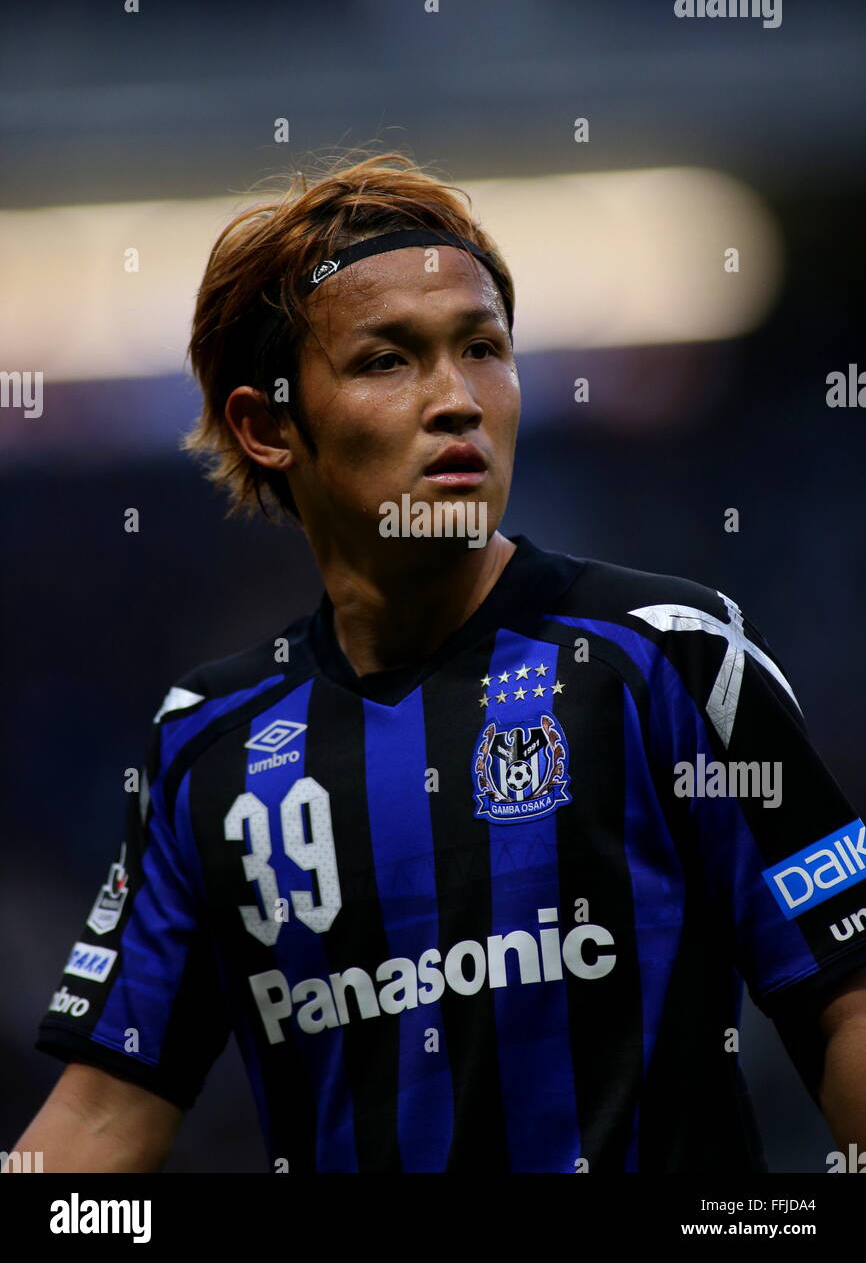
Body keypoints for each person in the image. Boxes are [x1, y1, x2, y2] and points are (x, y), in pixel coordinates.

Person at [9, 152, 866, 1173]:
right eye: (386, 359)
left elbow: (841, 1000)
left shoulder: (670, 658)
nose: (457, 399)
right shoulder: (210, 744)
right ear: (266, 424)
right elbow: (104, 1117)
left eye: (483, 349)